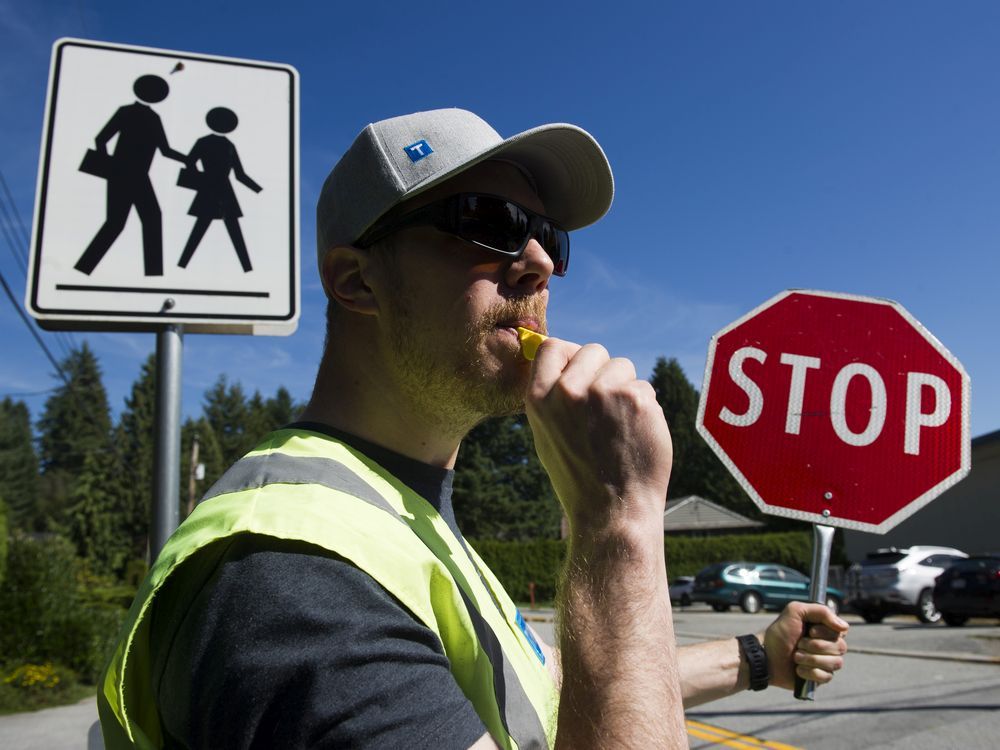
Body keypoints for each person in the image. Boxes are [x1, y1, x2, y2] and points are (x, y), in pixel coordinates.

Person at [99, 108, 848, 749]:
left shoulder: (399, 514)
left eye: (550, 238)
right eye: (486, 224)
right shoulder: (288, 579)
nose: (537, 263)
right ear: (356, 281)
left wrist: (758, 656)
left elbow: (546, 686)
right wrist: (618, 524)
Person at [75, 75, 188, 277]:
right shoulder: (127, 112)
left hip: (138, 176)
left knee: (147, 218)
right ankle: (83, 268)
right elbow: (101, 138)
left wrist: (187, 160)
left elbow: (165, 150)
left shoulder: (153, 118)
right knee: (119, 222)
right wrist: (108, 165)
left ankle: (153, 275)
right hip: (122, 173)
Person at [177, 107, 262, 273]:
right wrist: (257, 190)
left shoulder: (212, 143)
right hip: (219, 190)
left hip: (215, 190)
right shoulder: (226, 145)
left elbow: (190, 161)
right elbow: (240, 175)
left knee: (228, 230)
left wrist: (259, 191)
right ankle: (182, 264)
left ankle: (247, 269)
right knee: (204, 229)